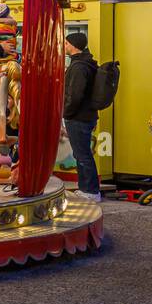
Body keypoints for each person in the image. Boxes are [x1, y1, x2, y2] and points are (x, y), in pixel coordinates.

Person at [63, 32, 101, 203]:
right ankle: (86, 188)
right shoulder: (85, 64)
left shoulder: (78, 67)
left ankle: (91, 191)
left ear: (73, 45)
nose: (64, 46)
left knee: (83, 154)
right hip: (86, 115)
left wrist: (66, 112)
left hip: (79, 117)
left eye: (66, 43)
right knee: (81, 154)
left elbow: (76, 95)